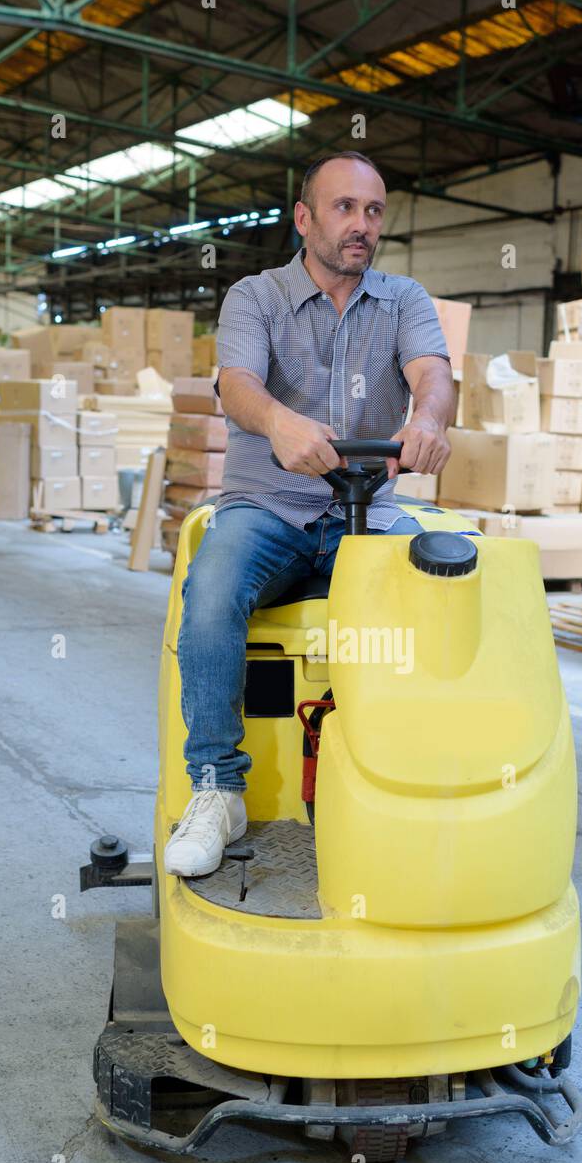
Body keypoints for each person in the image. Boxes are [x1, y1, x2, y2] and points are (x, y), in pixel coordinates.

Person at [165, 150, 455, 876]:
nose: (361, 225)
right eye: (344, 208)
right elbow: (236, 387)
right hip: (268, 508)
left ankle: (407, 777)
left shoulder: (403, 299)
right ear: (303, 218)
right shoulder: (255, 297)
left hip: (368, 509)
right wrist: (278, 424)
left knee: (441, 598)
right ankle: (216, 788)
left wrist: (427, 420)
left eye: (374, 211)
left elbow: (434, 374)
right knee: (209, 596)